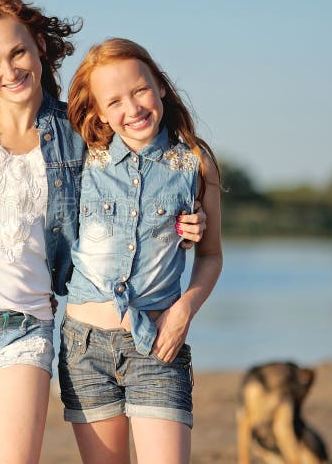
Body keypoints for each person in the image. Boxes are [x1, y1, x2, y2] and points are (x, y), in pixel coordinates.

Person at [0, 0, 207, 464]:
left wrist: (190, 217)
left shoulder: (77, 129)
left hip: (27, 325)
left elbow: (136, 180)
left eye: (18, 52)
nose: (9, 70)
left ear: (39, 46)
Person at [60, 38, 223, 464]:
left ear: (160, 86)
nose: (132, 108)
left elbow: (211, 256)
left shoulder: (194, 162)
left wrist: (185, 309)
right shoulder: (82, 159)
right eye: (114, 101)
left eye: (140, 90)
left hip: (159, 341)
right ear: (98, 111)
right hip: (84, 347)